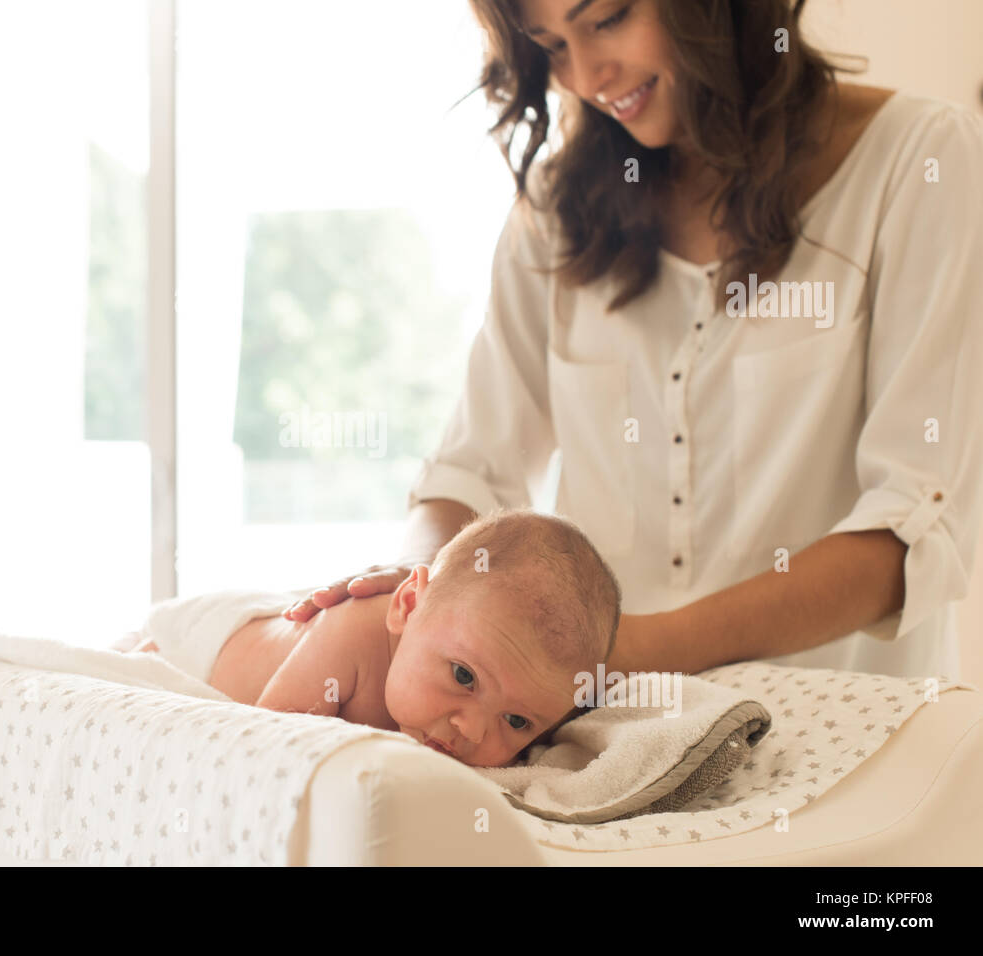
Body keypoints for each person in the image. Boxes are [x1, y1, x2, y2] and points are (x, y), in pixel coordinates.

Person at [283, 0, 983, 682]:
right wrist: (419, 587)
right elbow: (472, 472)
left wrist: (620, 655)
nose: (587, 77)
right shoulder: (557, 212)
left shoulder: (922, 161)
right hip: (604, 755)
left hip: (852, 754)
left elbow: (911, 532)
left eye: (608, 19)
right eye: (553, 46)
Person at [130, 509, 622, 767]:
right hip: (209, 637)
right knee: (131, 658)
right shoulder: (350, 639)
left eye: (516, 721)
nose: (472, 730)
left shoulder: (499, 683)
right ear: (407, 606)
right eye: (463, 676)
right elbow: (265, 748)